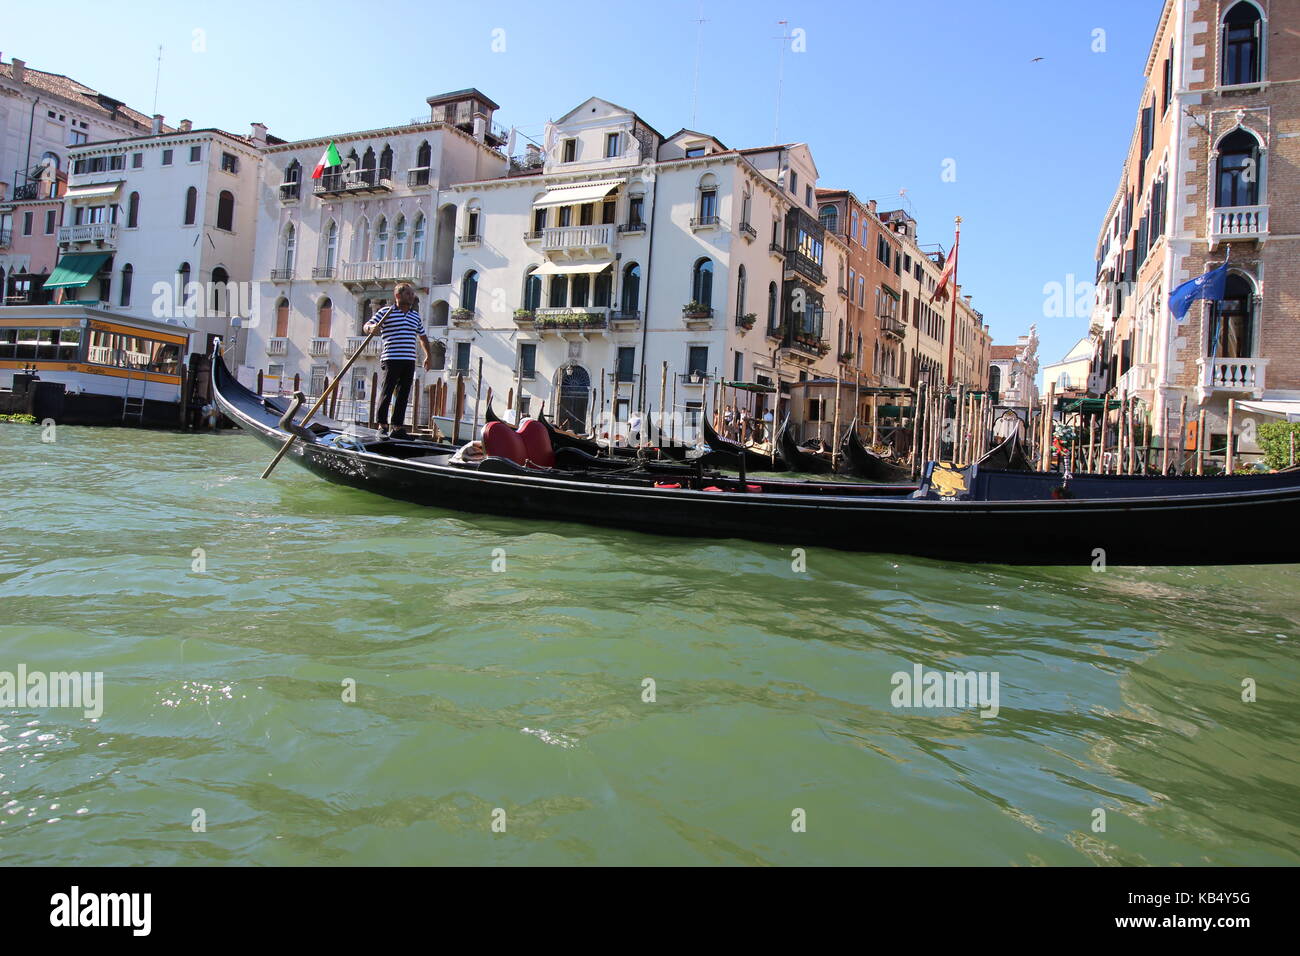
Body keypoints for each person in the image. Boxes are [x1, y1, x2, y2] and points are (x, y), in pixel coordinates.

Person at [364, 282, 433, 439]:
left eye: (412, 294)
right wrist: (371, 328)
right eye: (408, 293)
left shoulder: (415, 315)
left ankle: (397, 427)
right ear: (398, 296)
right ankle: (382, 426)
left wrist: (428, 355)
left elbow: (422, 337)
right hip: (391, 358)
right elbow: (367, 325)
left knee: (403, 394)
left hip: (409, 359)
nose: (411, 296)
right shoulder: (386, 312)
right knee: (387, 392)